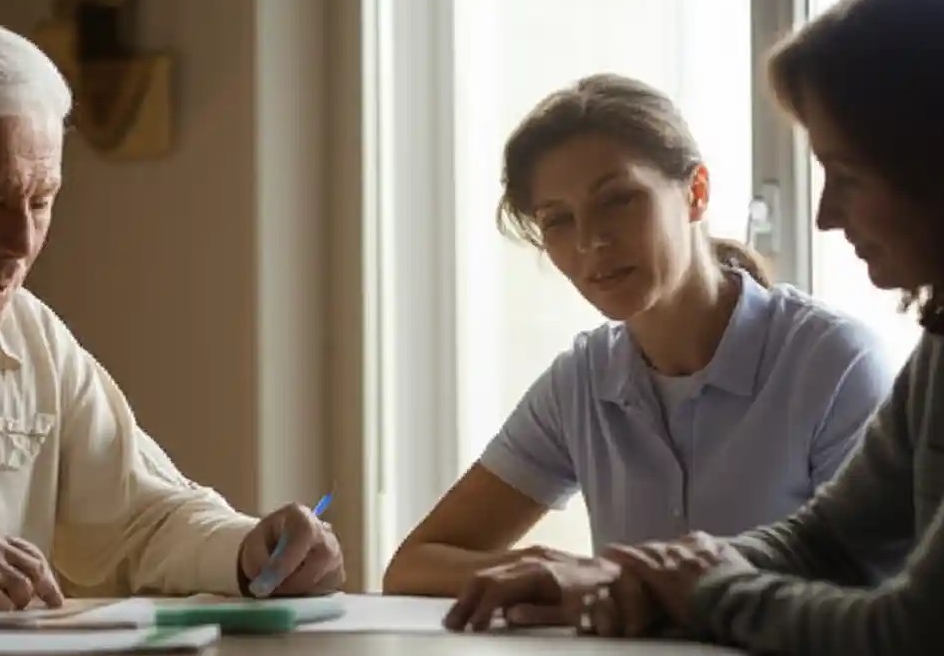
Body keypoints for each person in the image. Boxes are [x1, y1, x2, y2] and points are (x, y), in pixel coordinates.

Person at [444, 0, 944, 656]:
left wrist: (698, 591)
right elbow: (828, 540)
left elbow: (921, 640)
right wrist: (627, 577)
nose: (825, 213)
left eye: (847, 174)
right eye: (558, 221)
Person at [0, 16, 343, 615]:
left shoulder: (31, 338)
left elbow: (145, 519)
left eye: (42, 201)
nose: (21, 241)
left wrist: (251, 550)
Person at [384, 73, 896, 603]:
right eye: (557, 220)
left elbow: (871, 596)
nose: (590, 242)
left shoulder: (834, 363)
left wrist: (614, 582)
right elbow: (413, 567)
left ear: (696, 193)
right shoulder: (581, 382)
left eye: (619, 200)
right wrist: (542, 569)